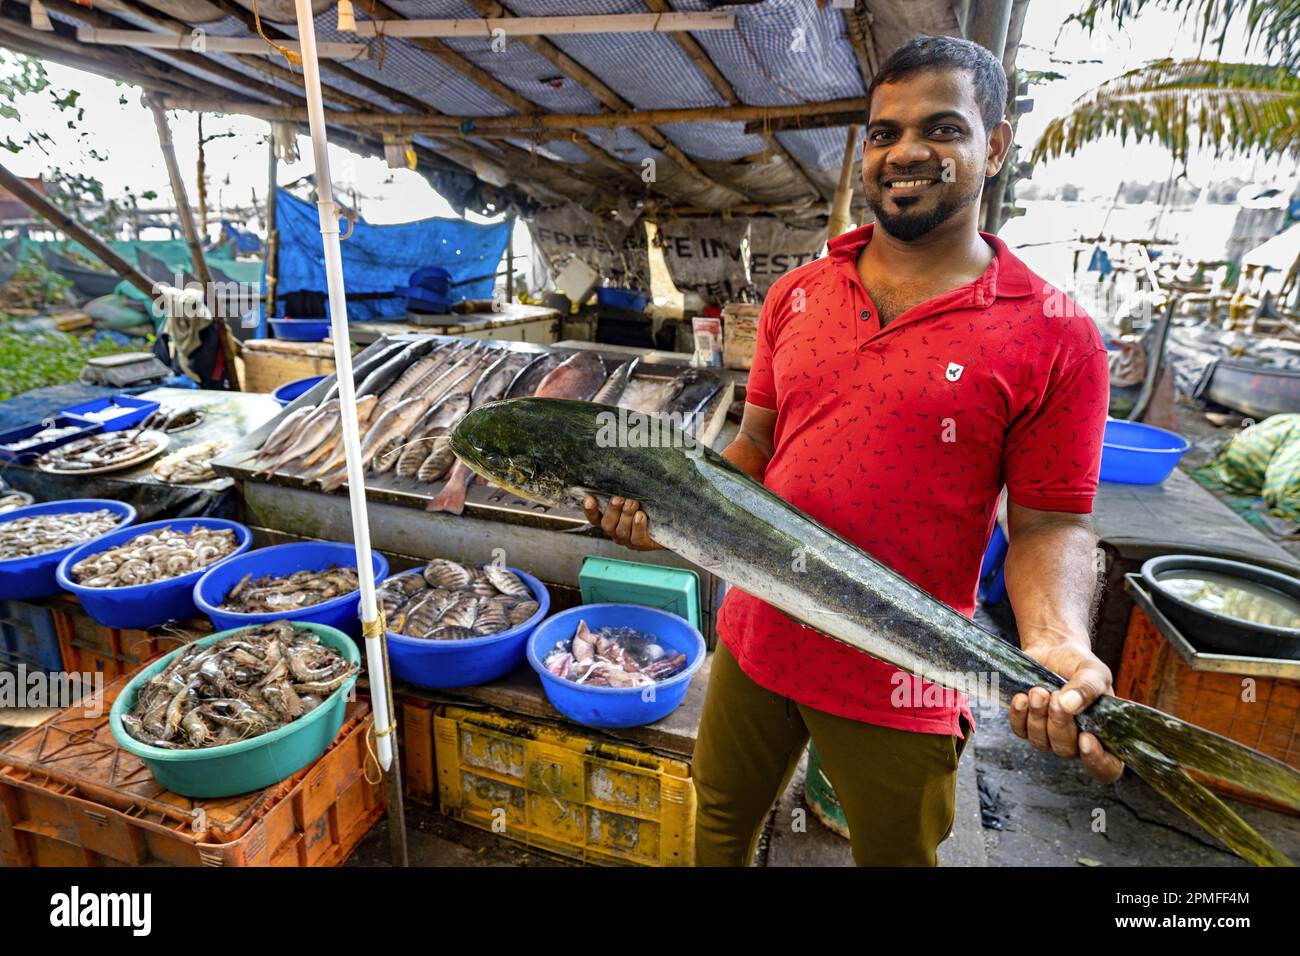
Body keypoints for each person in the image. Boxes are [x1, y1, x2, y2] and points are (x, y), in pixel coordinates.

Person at [584, 34, 1120, 866]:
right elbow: (757, 444)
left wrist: (1053, 638)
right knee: (720, 819)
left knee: (895, 854)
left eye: (942, 129)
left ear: (998, 147)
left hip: (905, 668)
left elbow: (1051, 523)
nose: (905, 152)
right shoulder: (797, 294)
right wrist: (673, 517)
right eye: (883, 133)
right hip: (758, 634)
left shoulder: (1055, 333)